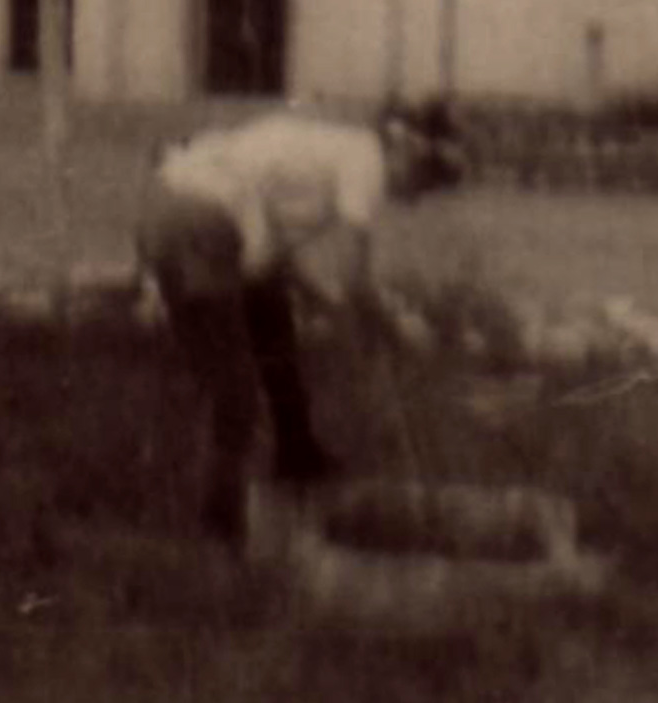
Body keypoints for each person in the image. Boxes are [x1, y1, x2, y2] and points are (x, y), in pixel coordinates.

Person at [140, 98, 465, 541]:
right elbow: (355, 282)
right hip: (200, 222)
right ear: (404, 149)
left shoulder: (330, 149)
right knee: (233, 394)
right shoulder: (364, 161)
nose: (417, 198)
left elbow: (273, 260)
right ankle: (217, 536)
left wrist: (329, 302)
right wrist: (394, 326)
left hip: (167, 210)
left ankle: (296, 454)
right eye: (424, 182)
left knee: (269, 314)